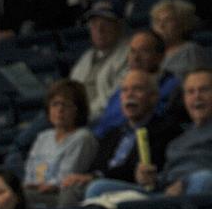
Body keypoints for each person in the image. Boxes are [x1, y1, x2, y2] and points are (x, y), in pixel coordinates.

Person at [88, 68, 212, 198]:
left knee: (204, 179)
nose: (197, 96)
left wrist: (184, 182)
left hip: (194, 188)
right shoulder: (179, 140)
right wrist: (150, 178)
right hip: (165, 193)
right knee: (97, 188)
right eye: (190, 92)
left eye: (204, 90)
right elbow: (165, 177)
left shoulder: (169, 130)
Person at [69, 71, 179, 196]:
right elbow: (96, 166)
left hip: (138, 190)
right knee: (71, 188)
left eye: (137, 89)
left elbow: (137, 169)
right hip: (103, 185)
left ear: (153, 97)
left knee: (96, 188)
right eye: (125, 90)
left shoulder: (165, 130)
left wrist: (97, 177)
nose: (129, 95)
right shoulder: (112, 133)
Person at [91, 30, 181, 138]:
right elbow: (104, 122)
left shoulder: (172, 86)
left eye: (144, 51)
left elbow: (149, 119)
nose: (136, 58)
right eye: (132, 51)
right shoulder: (122, 88)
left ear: (160, 56)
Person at [23, 79, 98, 207]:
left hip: (60, 194)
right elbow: (30, 169)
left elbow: (68, 177)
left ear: (78, 110)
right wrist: (31, 183)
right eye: (55, 104)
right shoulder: (43, 137)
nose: (60, 110)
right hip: (36, 190)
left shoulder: (83, 137)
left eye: (66, 105)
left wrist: (48, 185)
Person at [69, 2, 131, 118]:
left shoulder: (129, 54)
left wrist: (82, 115)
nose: (99, 29)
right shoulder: (86, 57)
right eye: (94, 24)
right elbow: (70, 90)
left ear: (118, 26)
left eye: (106, 23)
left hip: (103, 116)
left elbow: (115, 97)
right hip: (76, 115)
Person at [153, 0, 212, 85]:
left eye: (168, 20)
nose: (161, 25)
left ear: (183, 24)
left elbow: (202, 82)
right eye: (158, 21)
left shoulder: (192, 51)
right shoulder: (152, 51)